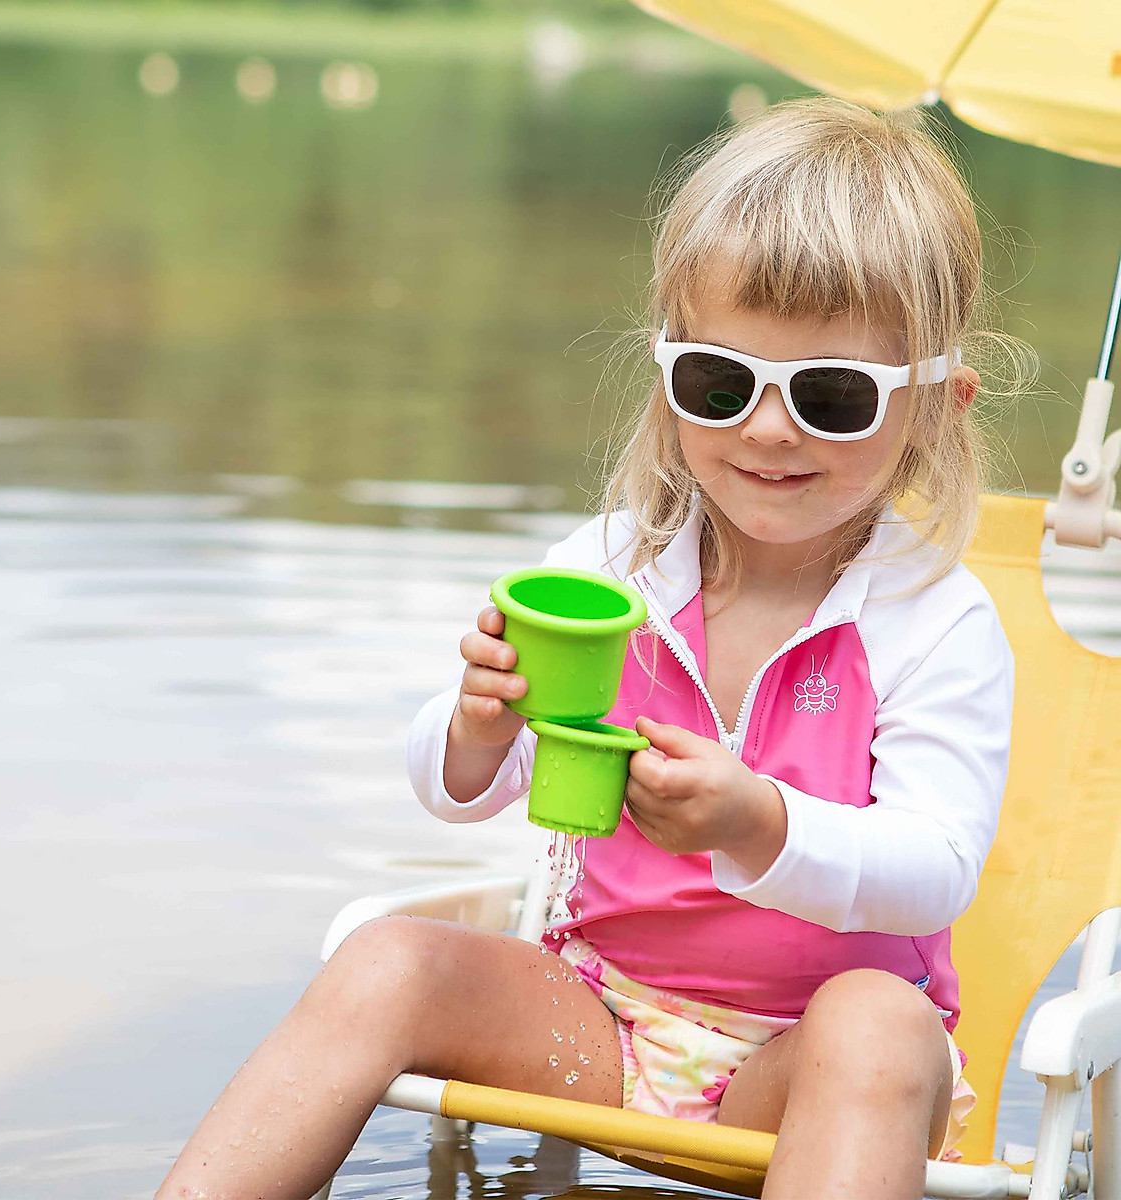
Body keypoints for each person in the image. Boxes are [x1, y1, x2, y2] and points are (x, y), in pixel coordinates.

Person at [156, 96, 1014, 1200]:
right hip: (597, 1022)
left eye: (832, 396)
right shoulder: (612, 570)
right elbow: (460, 790)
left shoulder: (934, 621)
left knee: (884, 1027)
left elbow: (934, 867)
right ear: (666, 370)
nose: (765, 428)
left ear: (938, 408)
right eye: (721, 379)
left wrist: (759, 821)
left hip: (800, 1069)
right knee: (385, 960)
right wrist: (475, 726)